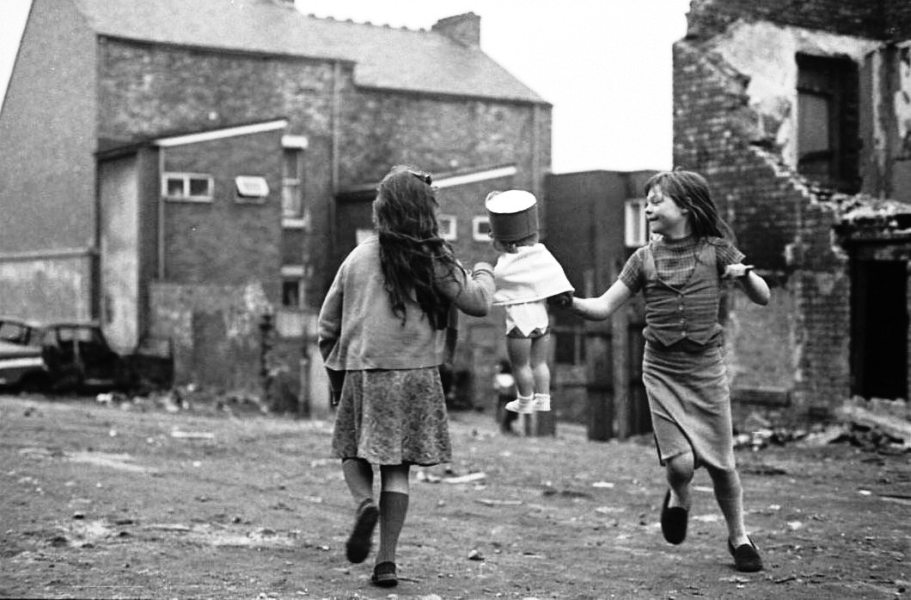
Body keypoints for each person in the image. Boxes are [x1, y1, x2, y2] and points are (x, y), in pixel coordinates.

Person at [567, 169, 770, 573]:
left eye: (657, 200)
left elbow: (763, 296)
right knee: (679, 465)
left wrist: (745, 276)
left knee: (722, 463)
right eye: (646, 201)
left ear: (687, 207)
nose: (648, 208)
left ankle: (739, 537)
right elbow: (603, 307)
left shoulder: (717, 250)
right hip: (661, 369)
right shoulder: (642, 259)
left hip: (705, 370)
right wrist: (567, 300)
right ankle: (680, 496)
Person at [318, 165, 495, 588]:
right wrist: (485, 271)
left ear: (382, 210)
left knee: (352, 452)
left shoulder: (358, 256)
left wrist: (337, 377)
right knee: (397, 470)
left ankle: (364, 504)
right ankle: (387, 562)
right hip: (416, 374)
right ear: (425, 212)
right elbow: (477, 303)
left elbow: (327, 325)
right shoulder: (434, 257)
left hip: (364, 370)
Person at [485, 189, 574, 415]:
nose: (492, 240)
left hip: (519, 323)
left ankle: (524, 400)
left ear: (510, 246)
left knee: (520, 364)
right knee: (539, 363)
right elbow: (556, 276)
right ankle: (543, 399)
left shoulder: (507, 264)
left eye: (495, 238)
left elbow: (492, 283)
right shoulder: (542, 255)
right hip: (541, 320)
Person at [493, 358, 518, 434]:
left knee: (506, 414)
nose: (497, 367)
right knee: (506, 414)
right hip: (506, 397)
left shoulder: (504, 376)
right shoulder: (509, 376)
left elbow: (497, 387)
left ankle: (505, 428)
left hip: (506, 397)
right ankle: (505, 428)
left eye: (499, 365)